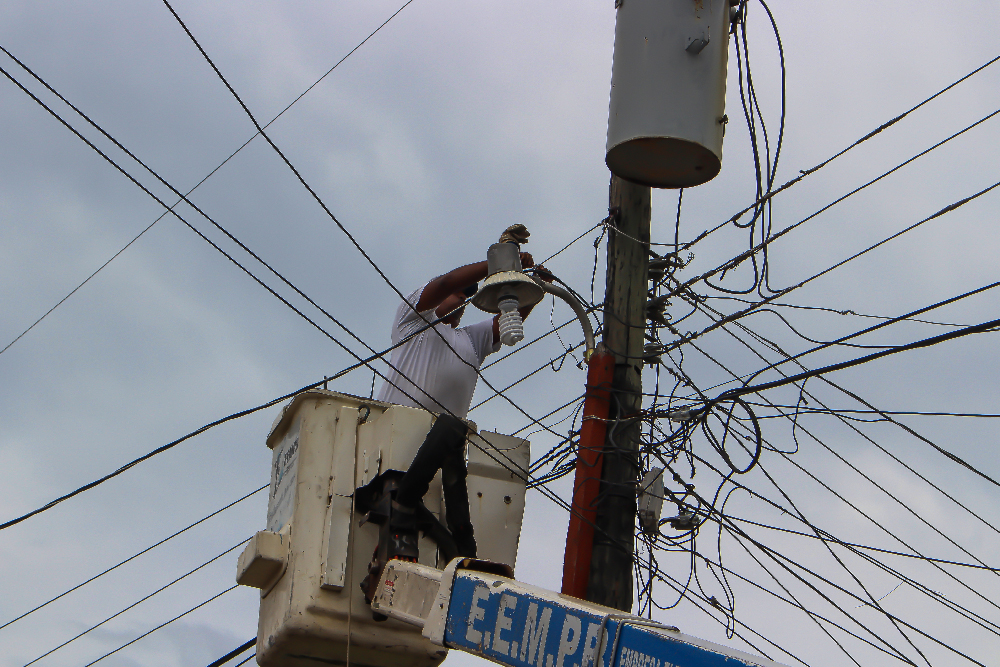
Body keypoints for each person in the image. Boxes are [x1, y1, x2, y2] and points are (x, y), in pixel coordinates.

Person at [377, 227, 548, 420]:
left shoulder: (470, 340)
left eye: (466, 294)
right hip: (390, 433)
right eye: (457, 291)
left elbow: (506, 320)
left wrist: (535, 283)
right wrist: (500, 260)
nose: (462, 296)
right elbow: (446, 283)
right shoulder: (412, 320)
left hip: (441, 445)